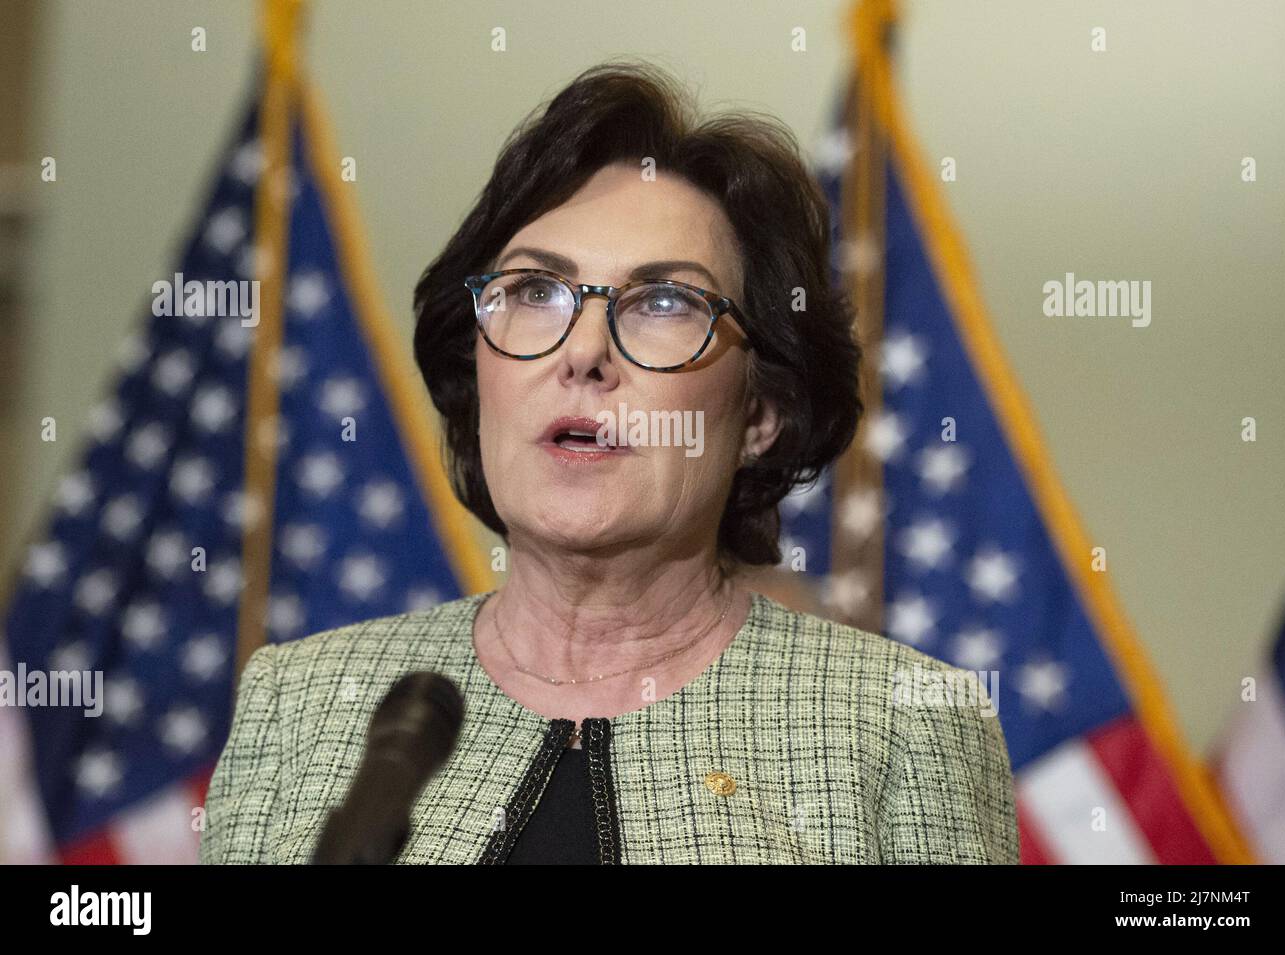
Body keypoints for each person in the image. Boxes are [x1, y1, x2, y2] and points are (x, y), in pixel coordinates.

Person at [200, 60, 1019, 864]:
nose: (585, 352)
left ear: (760, 415)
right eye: (534, 291)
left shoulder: (906, 723)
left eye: (665, 302)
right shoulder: (298, 704)